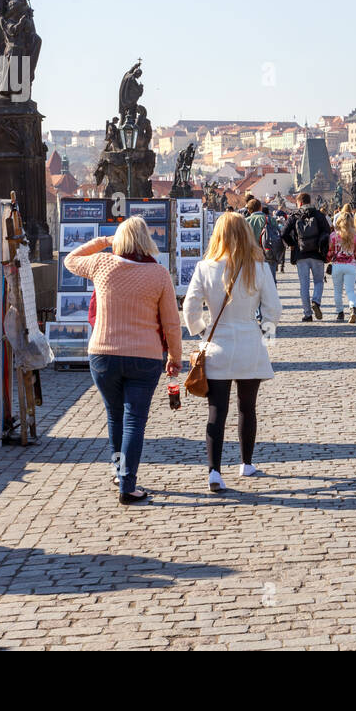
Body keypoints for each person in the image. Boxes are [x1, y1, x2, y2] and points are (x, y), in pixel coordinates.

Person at [66, 215, 182, 506]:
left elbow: (71, 259)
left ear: (119, 240)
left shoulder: (102, 264)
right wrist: (176, 358)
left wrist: (105, 241)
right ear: (147, 240)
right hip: (145, 356)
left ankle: (120, 474)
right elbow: (171, 324)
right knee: (134, 420)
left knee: (114, 415)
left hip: (103, 354)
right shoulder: (159, 274)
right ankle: (128, 484)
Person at [183, 211, 281, 491]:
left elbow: (189, 309)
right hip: (250, 342)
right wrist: (263, 330)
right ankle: (246, 463)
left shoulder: (205, 267)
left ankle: (214, 471)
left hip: (218, 344)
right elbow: (273, 309)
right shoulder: (259, 268)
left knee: (217, 410)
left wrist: (202, 330)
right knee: (247, 408)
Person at [281, 192, 331, 322]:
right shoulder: (319, 215)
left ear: (300, 203)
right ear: (309, 201)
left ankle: (307, 314)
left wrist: (292, 245)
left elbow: (284, 233)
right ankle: (316, 301)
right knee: (319, 281)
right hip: (317, 254)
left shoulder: (295, 215)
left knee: (304, 285)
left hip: (300, 254)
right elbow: (327, 232)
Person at [327, 204, 356, 322]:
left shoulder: (334, 236)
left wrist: (327, 260)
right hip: (351, 265)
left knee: (337, 291)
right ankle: (352, 309)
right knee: (350, 290)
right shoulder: (355, 235)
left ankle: (340, 312)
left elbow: (330, 252)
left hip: (337, 265)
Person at [245, 198, 281, 281]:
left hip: (251, 256)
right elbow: (278, 236)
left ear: (249, 210)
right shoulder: (270, 219)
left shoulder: (245, 221)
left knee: (252, 282)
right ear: (260, 207)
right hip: (269, 253)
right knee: (271, 281)